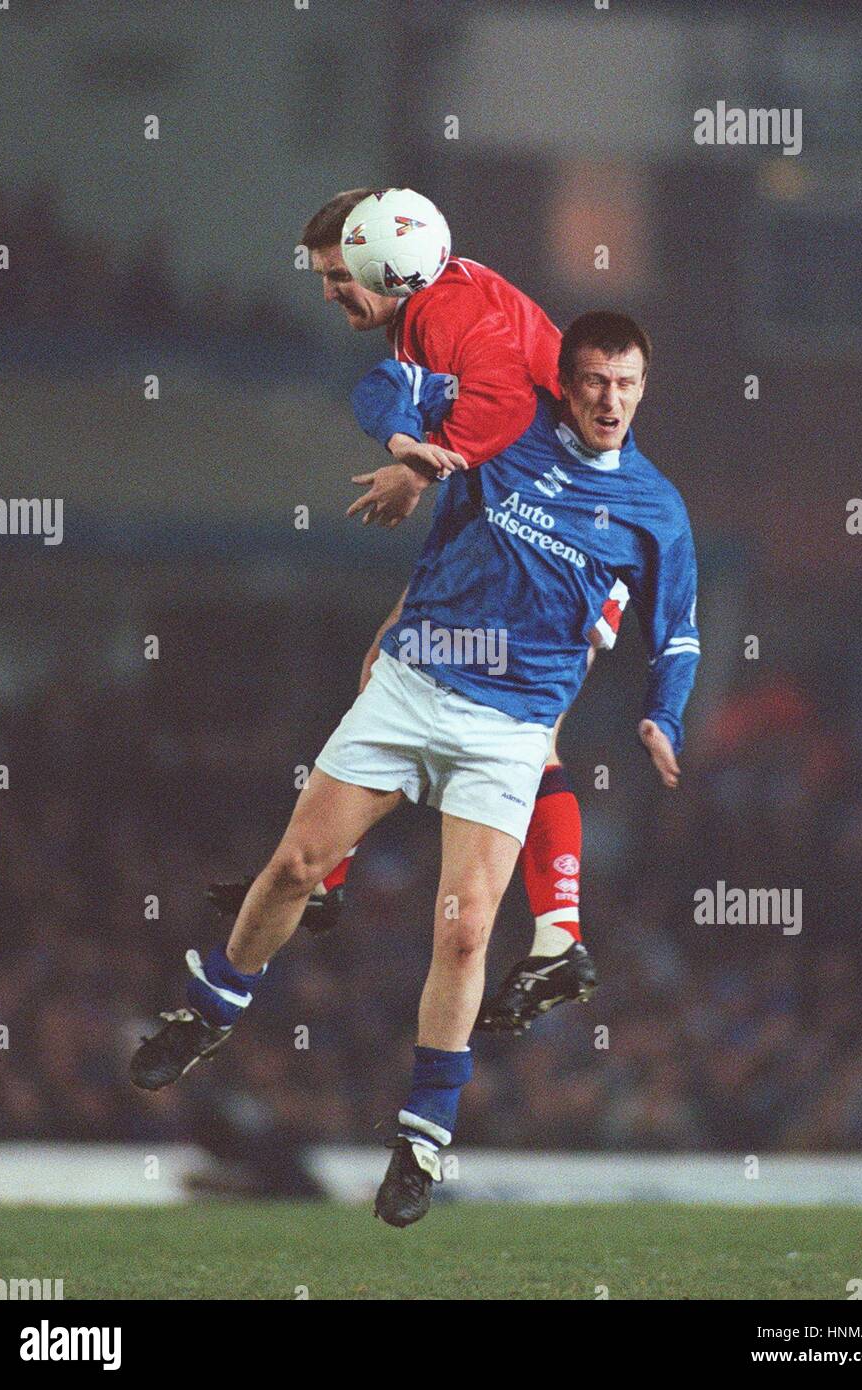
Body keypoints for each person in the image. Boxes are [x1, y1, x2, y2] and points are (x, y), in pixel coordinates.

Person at [131, 310, 700, 1228]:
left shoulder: (654, 507)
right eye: (594, 379)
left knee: (468, 931)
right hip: (414, 683)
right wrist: (405, 444)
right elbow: (383, 379)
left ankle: (422, 1140)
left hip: (510, 730)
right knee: (295, 868)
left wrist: (662, 717)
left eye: (626, 382)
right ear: (567, 379)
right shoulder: (505, 417)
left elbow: (675, 634)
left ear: (644, 387)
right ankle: (208, 1010)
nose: (609, 397)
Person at [209, 188, 628, 1031]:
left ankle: (561, 938)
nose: (329, 292)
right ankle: (326, 884)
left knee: (528, 733)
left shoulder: (443, 312)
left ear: (383, 264)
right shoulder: (429, 309)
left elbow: (506, 407)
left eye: (337, 275)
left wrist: (420, 469)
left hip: (570, 546)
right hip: (520, 536)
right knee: (386, 664)